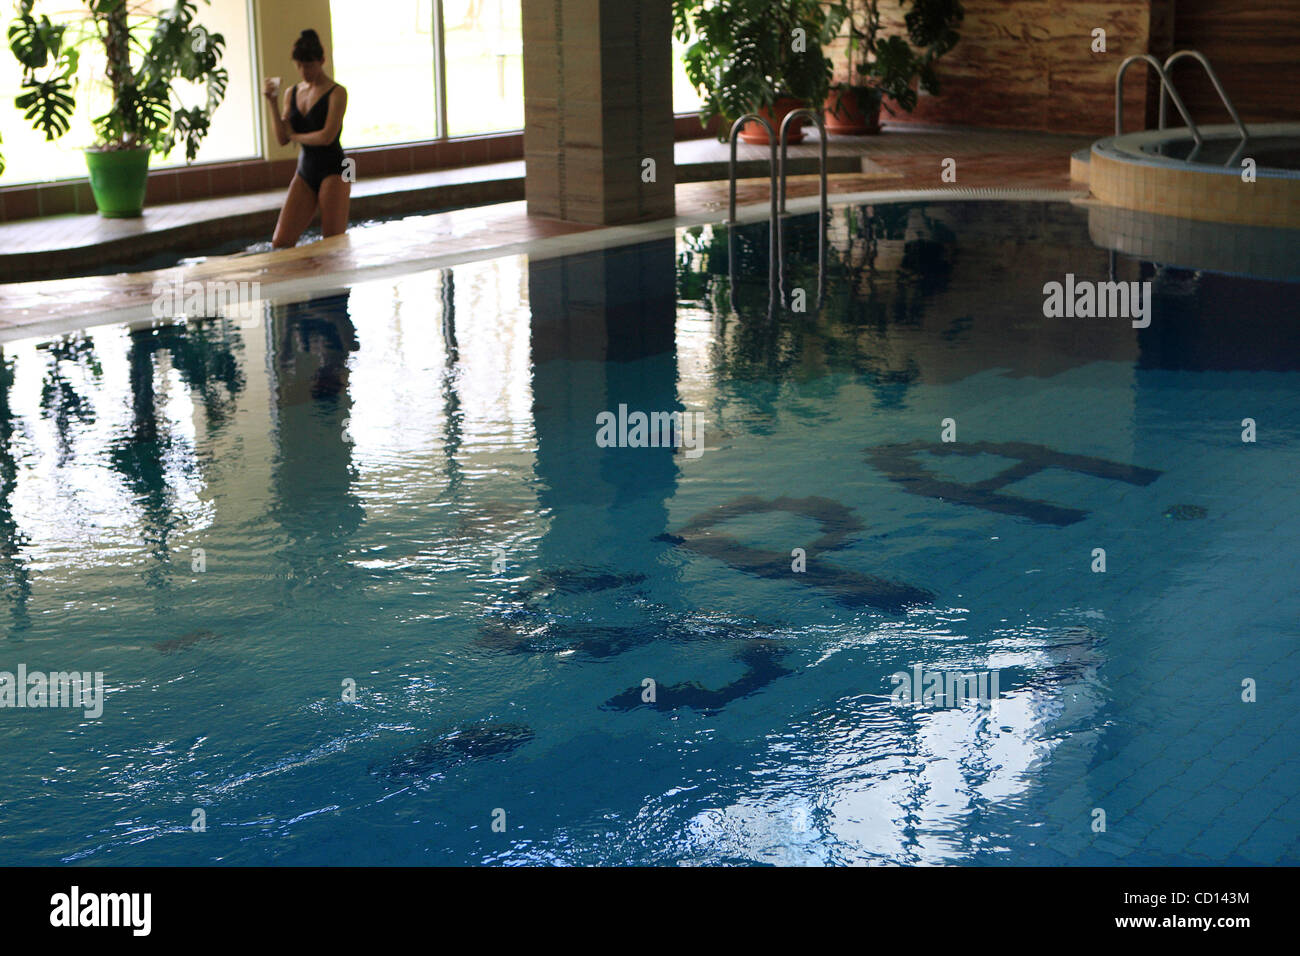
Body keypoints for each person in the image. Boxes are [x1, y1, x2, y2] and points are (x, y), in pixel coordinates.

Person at [263, 29, 350, 248]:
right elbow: (283, 139)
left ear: (322, 61)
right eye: (300, 65)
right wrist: (271, 102)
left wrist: (296, 136)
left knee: (333, 244)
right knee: (280, 243)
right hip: (306, 170)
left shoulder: (337, 93)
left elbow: (327, 136)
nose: (304, 71)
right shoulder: (291, 93)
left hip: (336, 169)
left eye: (309, 65)